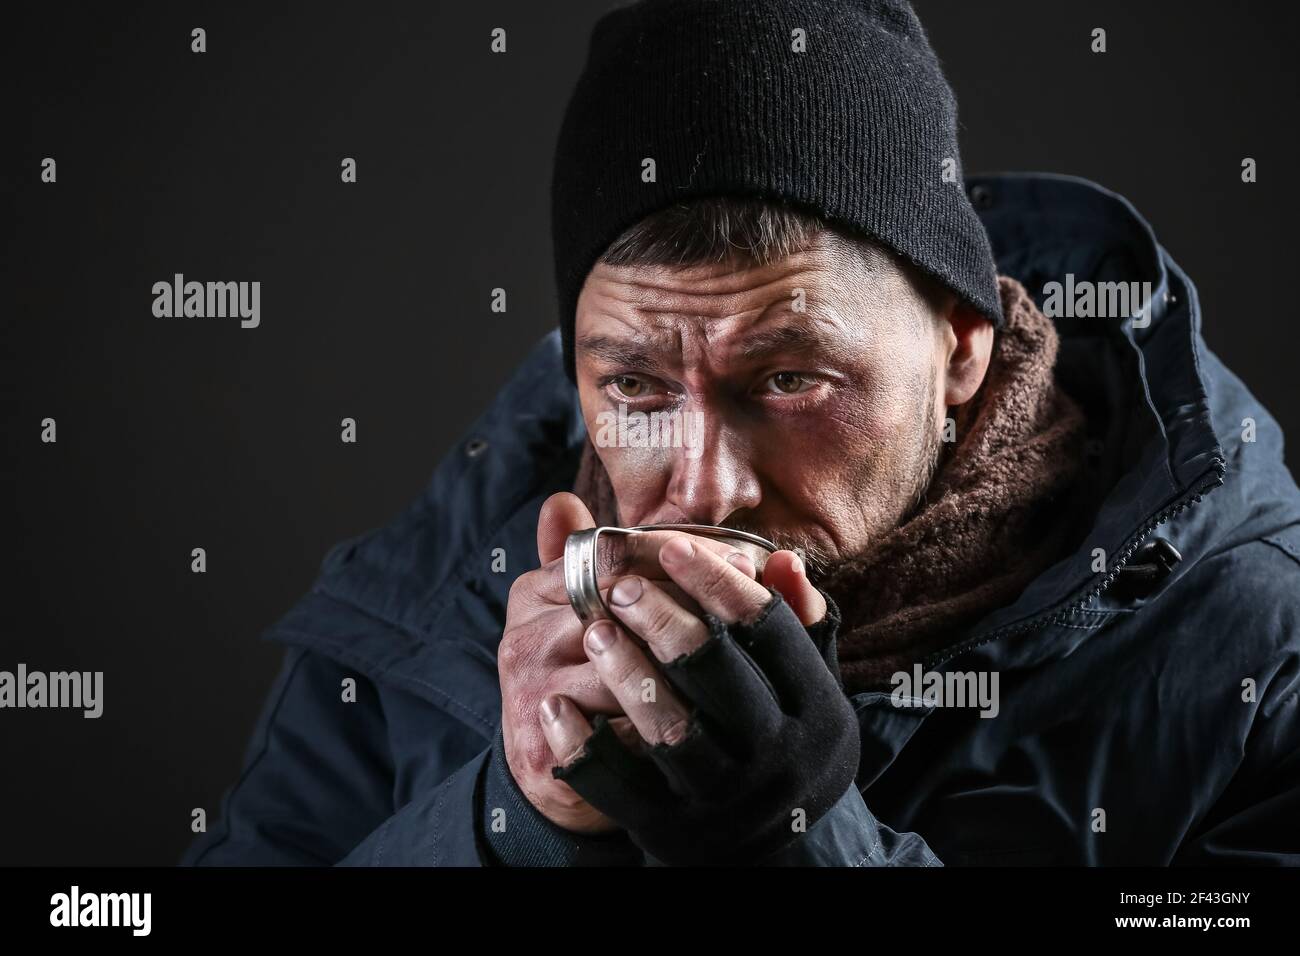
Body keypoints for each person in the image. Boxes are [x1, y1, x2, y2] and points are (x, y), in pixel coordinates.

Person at [181, 0, 1300, 866]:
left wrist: (799, 837)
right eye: (635, 384)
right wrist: (516, 822)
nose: (706, 489)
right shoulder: (427, 606)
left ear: (961, 345)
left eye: (792, 378)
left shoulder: (1254, 652)